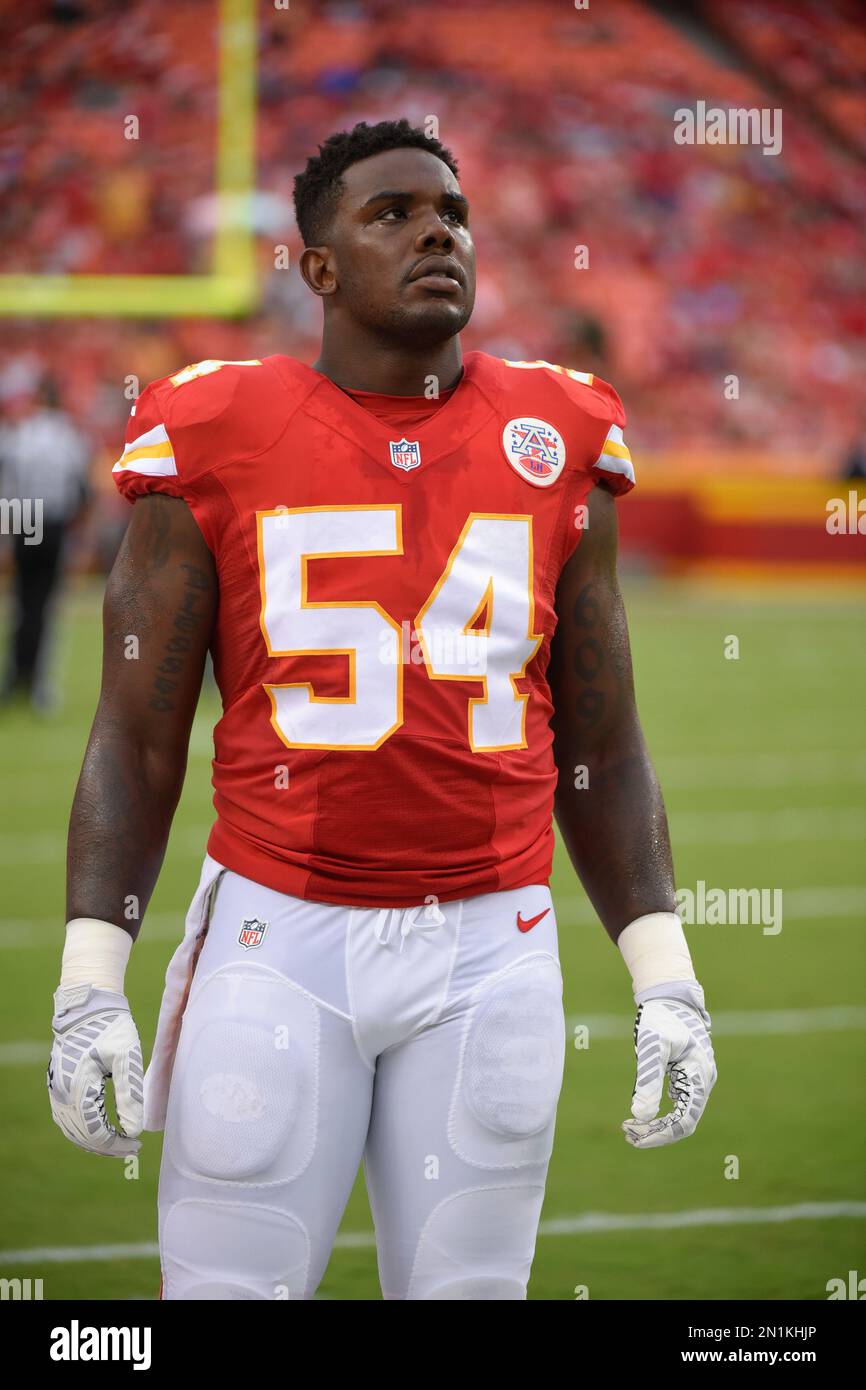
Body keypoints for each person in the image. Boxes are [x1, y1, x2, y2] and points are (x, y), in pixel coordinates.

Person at [48, 120, 716, 1301]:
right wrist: (89, 977)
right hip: (276, 936)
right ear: (315, 267)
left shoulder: (557, 435)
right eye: (392, 214)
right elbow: (136, 734)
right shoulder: (215, 430)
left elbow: (599, 745)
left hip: (493, 948)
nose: (434, 234)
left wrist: (662, 970)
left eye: (449, 213)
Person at [0, 377, 89, 710]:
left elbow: (6, 484)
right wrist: (80, 535)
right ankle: (40, 686)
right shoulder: (68, 435)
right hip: (52, 521)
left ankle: (15, 677)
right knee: (46, 604)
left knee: (21, 602)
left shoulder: (17, 433)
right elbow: (81, 490)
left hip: (25, 516)